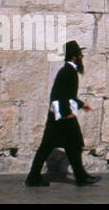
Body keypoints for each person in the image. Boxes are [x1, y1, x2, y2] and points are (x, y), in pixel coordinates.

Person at [25, 41, 100, 187]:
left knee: (69, 146)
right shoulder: (68, 72)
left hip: (59, 117)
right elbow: (59, 96)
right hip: (62, 118)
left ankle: (35, 177)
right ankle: (80, 177)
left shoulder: (67, 71)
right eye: (79, 54)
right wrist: (66, 115)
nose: (81, 56)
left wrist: (81, 104)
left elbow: (67, 95)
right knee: (69, 144)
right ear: (74, 56)